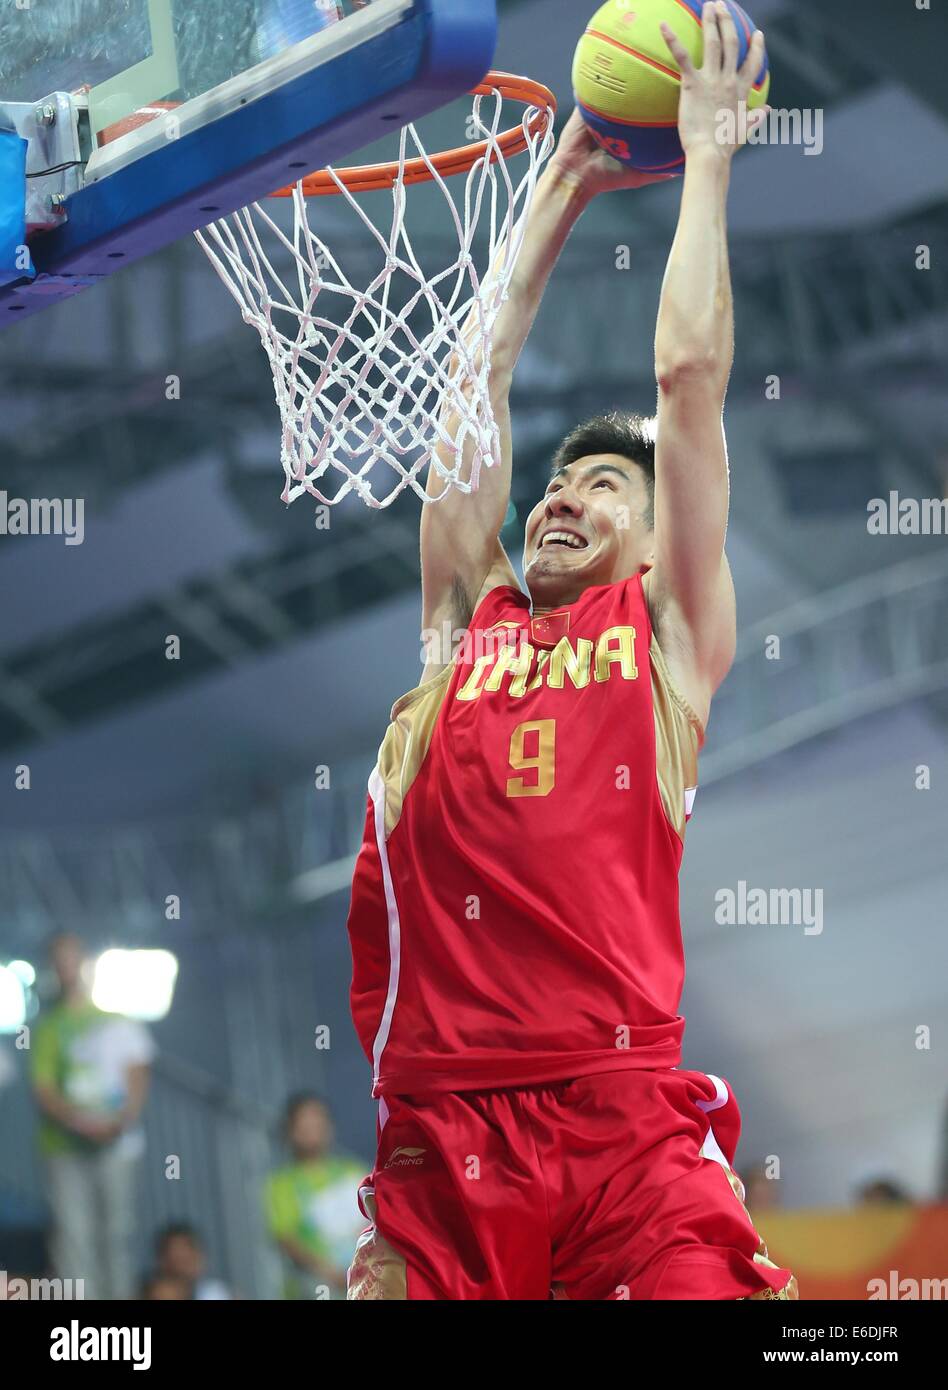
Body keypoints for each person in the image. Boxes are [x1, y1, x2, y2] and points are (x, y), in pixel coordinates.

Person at [345, 4, 797, 1300]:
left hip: (621, 1126)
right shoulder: (461, 627)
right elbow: (468, 398)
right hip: (446, 1129)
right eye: (559, 481)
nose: (563, 497)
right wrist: (559, 183)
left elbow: (689, 379)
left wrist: (705, 156)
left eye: (605, 486)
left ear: (659, 545)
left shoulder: (668, 639)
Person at [30, 932, 154, 1300]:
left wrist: (119, 1122)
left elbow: (137, 1074)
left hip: (117, 1145)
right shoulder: (48, 1028)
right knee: (73, 1236)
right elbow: (44, 1090)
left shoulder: (118, 1021)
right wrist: (82, 1124)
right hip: (64, 1147)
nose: (67, 967)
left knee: (117, 1232)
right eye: (59, 959)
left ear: (87, 961)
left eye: (73, 957)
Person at [264, 1093, 367, 1299]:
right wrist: (329, 1272)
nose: (312, 1129)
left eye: (318, 1121)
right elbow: (286, 1238)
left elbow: (371, 1221)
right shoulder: (281, 1184)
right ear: (290, 1131)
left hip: (362, 1281)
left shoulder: (353, 1171)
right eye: (304, 1123)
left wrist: (357, 1268)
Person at [153, 1222, 234, 1300]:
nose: (183, 1270)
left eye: (188, 1260)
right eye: (179, 1261)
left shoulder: (215, 1292)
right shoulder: (157, 1294)